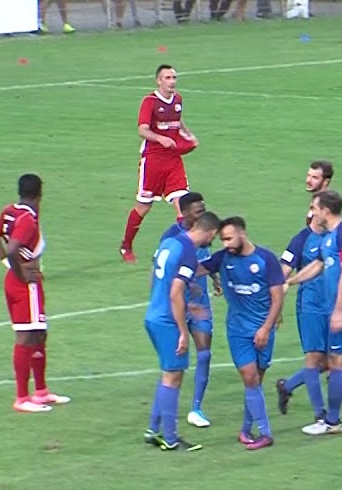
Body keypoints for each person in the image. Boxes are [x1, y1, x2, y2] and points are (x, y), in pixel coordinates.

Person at [285, 190, 342, 435]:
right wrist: (291, 282)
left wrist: (337, 310)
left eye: (315, 207)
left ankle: (331, 422)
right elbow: (317, 266)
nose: (312, 212)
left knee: (337, 362)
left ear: (325, 210)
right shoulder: (329, 237)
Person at [0, 174, 70, 413]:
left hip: (21, 283)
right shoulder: (27, 220)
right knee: (25, 337)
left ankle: (41, 392)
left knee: (39, 334)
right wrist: (20, 271)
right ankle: (22, 398)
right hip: (25, 286)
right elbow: (12, 248)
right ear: (39, 194)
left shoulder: (11, 211)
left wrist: (7, 264)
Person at [198, 217, 286, 450]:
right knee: (249, 377)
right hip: (238, 330)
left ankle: (246, 430)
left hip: (263, 329)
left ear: (242, 234)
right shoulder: (222, 258)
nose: (225, 244)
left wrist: (266, 328)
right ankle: (266, 433)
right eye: (222, 240)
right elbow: (196, 269)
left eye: (228, 238)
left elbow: (278, 297)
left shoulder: (266, 259)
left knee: (256, 379)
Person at [143, 211, 220, 452]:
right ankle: (171, 437)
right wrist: (182, 331)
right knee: (173, 376)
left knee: (169, 373)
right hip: (168, 320)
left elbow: (154, 278)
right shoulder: (188, 251)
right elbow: (176, 293)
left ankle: (153, 429)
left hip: (153, 314)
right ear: (210, 232)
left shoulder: (169, 242)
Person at [277, 161, 342, 414]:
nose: (314, 213)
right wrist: (277, 305)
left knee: (335, 360)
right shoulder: (300, 240)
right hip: (310, 304)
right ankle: (321, 414)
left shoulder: (337, 236)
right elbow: (281, 275)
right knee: (315, 359)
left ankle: (289, 386)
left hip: (334, 303)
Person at [122, 65, 198, 264]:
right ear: (159, 80)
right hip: (153, 161)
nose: (172, 81)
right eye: (167, 77)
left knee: (183, 206)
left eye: (174, 77)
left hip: (173, 160)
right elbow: (143, 130)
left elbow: (178, 121)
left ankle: (180, 251)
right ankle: (126, 245)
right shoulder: (150, 102)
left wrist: (189, 135)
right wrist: (159, 139)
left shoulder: (178, 100)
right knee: (143, 207)